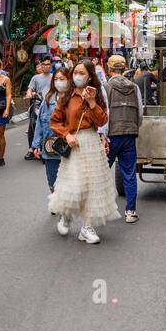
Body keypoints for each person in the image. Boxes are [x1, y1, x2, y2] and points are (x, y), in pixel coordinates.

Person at [48, 59, 117, 244]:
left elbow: (102, 121)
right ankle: (65, 214)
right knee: (74, 185)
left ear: (89, 76)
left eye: (82, 73)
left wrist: (92, 101)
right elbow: (55, 121)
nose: (78, 76)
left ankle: (87, 227)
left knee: (92, 188)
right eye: (75, 73)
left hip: (92, 143)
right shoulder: (66, 96)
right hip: (73, 143)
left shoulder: (96, 94)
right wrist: (66, 135)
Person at [104, 55, 143, 224]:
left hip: (111, 135)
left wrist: (103, 135)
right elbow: (140, 113)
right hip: (129, 134)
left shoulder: (105, 87)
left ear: (109, 68)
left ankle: (102, 210)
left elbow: (103, 114)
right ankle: (130, 211)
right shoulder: (134, 87)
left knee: (102, 173)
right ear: (124, 67)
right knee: (129, 173)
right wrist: (133, 126)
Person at [32, 67, 70, 201]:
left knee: (69, 179)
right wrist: (36, 145)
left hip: (69, 146)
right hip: (51, 146)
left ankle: (64, 202)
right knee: (52, 179)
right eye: (56, 79)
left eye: (62, 79)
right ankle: (56, 199)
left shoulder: (73, 99)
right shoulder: (47, 100)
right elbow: (39, 125)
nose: (59, 82)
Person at [24, 58, 51, 160]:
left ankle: (50, 146)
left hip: (51, 104)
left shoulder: (54, 77)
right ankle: (32, 148)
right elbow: (30, 89)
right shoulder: (36, 78)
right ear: (41, 65)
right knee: (33, 124)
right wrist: (29, 93)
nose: (46, 66)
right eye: (44, 64)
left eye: (48, 64)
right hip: (38, 103)